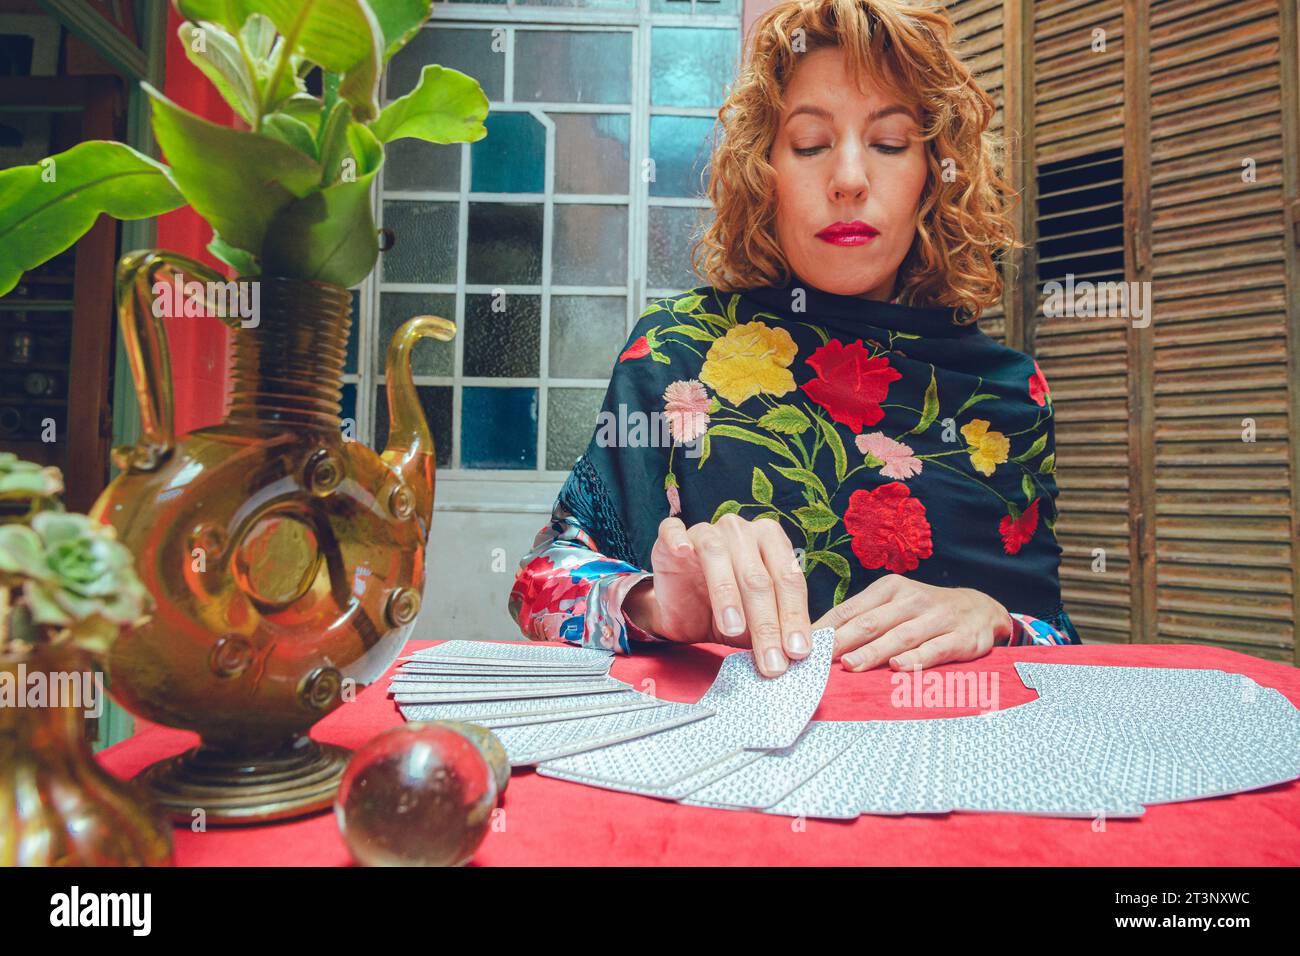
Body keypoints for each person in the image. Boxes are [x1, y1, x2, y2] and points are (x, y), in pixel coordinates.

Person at [509, 0, 1080, 677]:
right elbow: (540, 585)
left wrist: (995, 619)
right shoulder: (676, 353)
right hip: (720, 766)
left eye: (891, 144)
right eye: (810, 144)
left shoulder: (1008, 394)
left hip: (947, 769)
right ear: (764, 170)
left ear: (933, 176)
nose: (848, 179)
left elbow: (1060, 643)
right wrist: (654, 602)